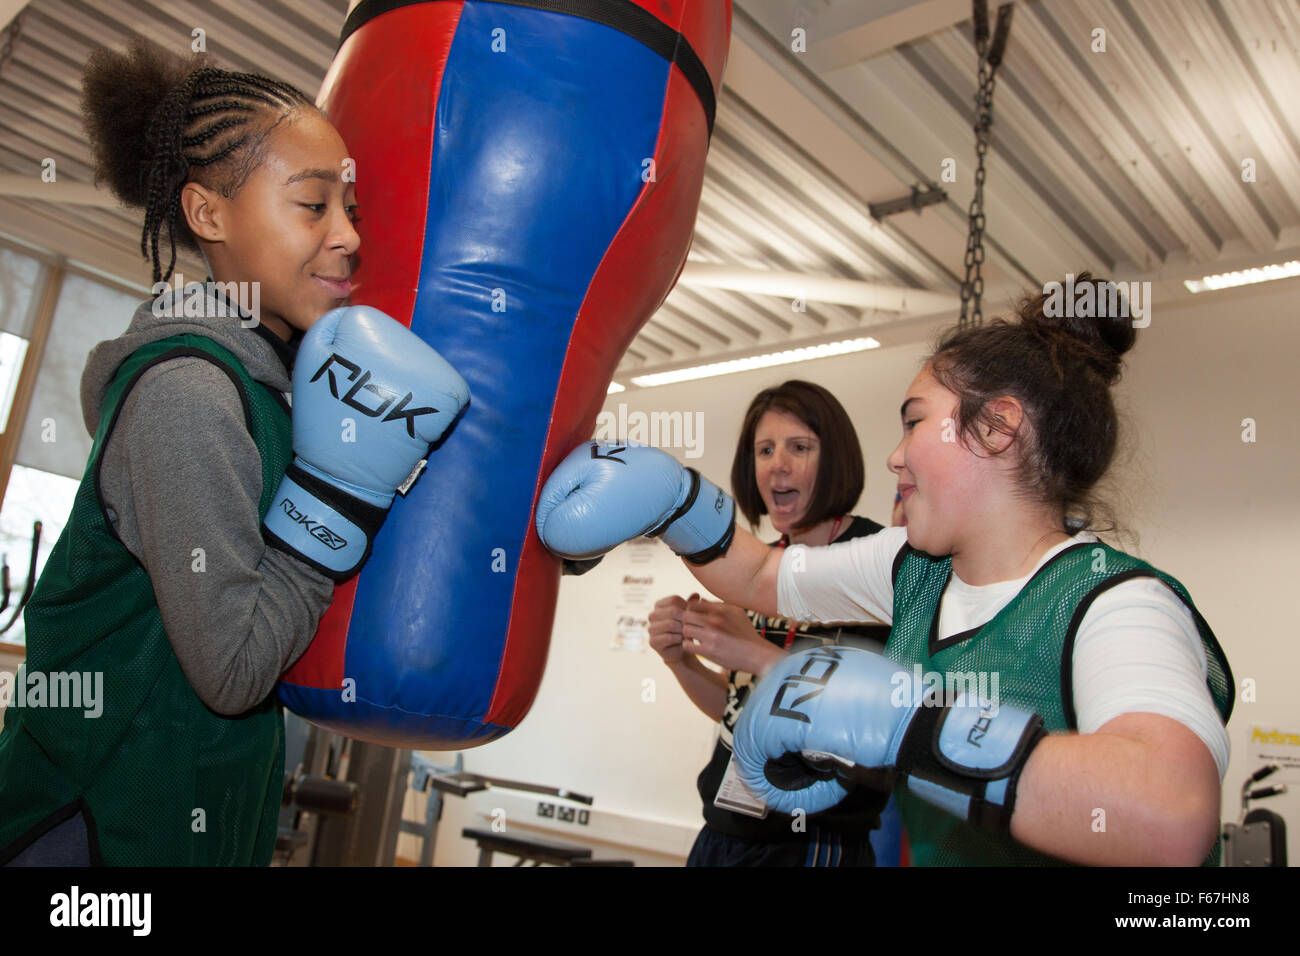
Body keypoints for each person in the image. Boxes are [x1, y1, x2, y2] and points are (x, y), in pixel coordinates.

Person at [536, 272, 1233, 866]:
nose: (895, 458)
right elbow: (757, 580)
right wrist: (674, 500)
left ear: (997, 428)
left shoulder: (1115, 602)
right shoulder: (912, 568)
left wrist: (904, 723)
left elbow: (1172, 814)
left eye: (912, 421)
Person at [0, 36, 467, 866]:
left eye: (350, 210)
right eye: (313, 205)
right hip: (97, 836)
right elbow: (235, 670)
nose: (351, 237)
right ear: (208, 213)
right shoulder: (190, 396)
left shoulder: (288, 390)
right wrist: (337, 495)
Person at [647, 381, 891, 866]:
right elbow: (735, 708)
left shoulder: (878, 566)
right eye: (764, 450)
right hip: (723, 831)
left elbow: (877, 732)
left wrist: (760, 654)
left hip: (811, 840)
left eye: (799, 447)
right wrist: (681, 660)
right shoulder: (760, 571)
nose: (777, 464)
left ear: (835, 459)